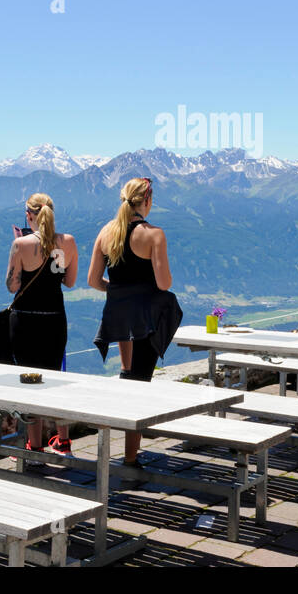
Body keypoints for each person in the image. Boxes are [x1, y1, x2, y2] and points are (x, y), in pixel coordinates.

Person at [88, 177, 181, 467]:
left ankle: (127, 450)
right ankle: (130, 456)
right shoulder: (154, 234)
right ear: (147, 201)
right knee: (140, 381)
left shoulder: (106, 232)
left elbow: (93, 281)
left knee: (129, 376)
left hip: (118, 316)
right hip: (146, 318)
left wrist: (118, 292)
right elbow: (164, 284)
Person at [5, 193, 79, 457]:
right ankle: (63, 441)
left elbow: (12, 285)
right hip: (54, 319)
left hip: (25, 320)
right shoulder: (66, 242)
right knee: (56, 379)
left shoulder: (21, 244)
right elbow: (68, 281)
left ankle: (34, 446)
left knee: (31, 381)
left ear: (29, 215)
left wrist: (20, 249)